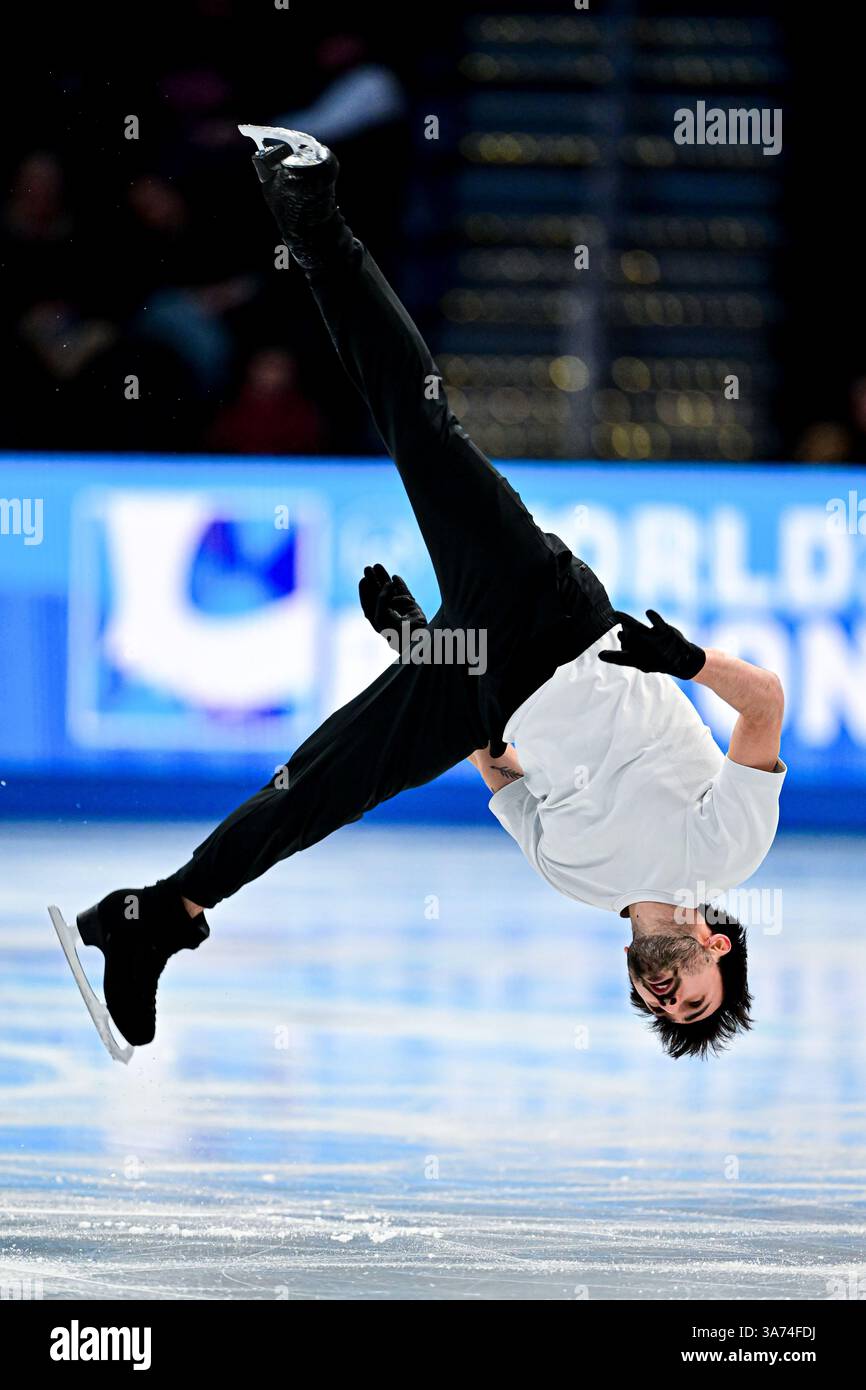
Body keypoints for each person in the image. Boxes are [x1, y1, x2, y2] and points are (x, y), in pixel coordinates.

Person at [67, 131, 786, 1060]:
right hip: (558, 614)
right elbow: (765, 703)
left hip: (483, 676)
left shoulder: (574, 879)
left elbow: (492, 755)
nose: (668, 996)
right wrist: (685, 662)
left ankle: (157, 917)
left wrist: (418, 643)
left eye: (664, 1012)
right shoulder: (729, 853)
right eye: (694, 997)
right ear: (716, 948)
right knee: (421, 423)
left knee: (313, 790)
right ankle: (310, 208)